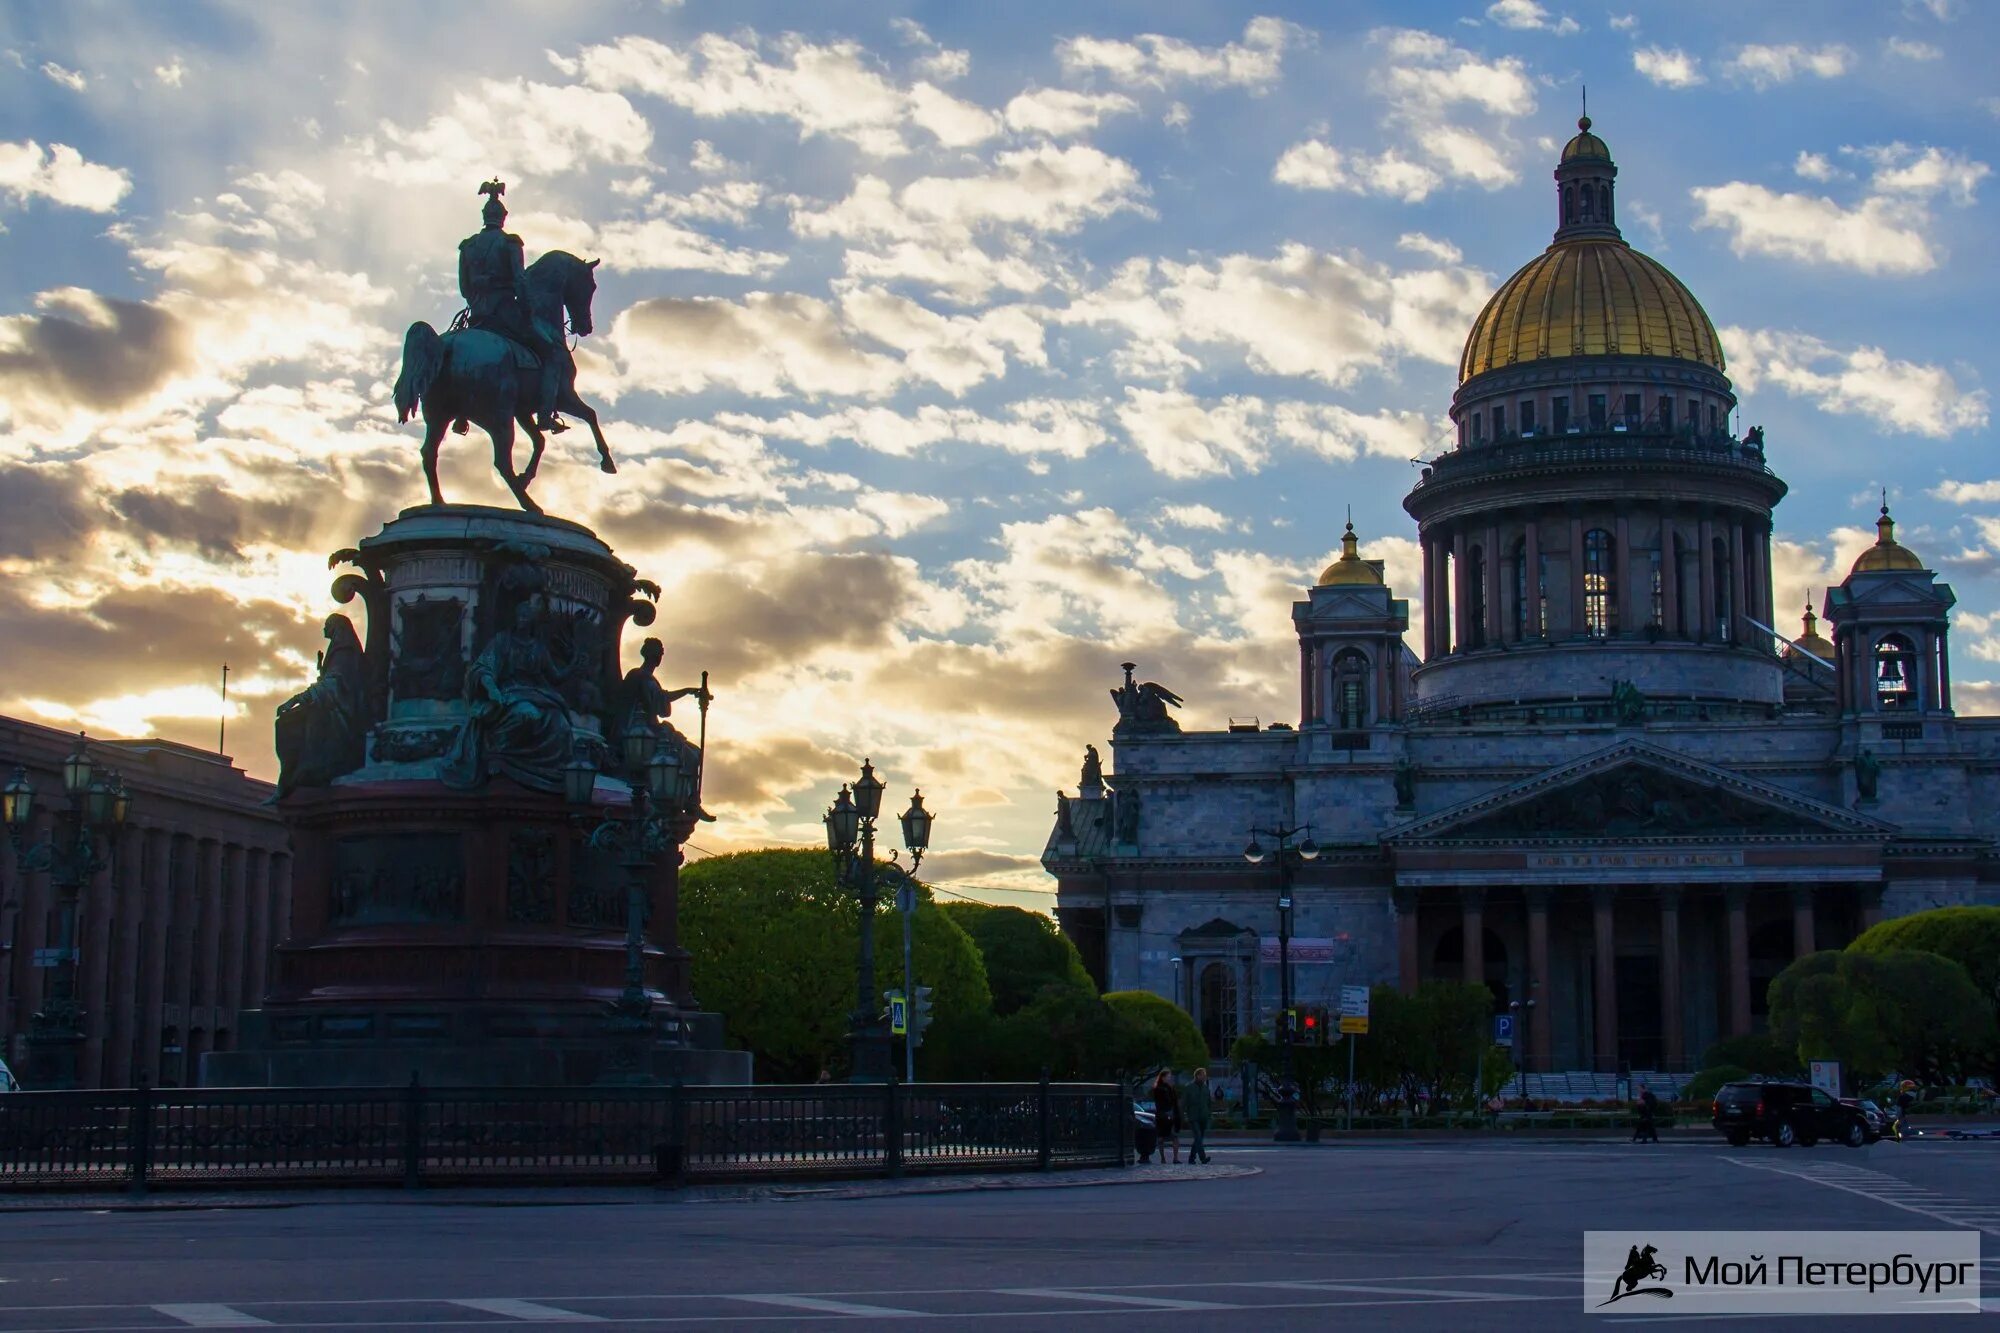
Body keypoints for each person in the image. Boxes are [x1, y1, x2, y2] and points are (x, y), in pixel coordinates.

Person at [460, 180, 563, 433]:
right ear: (503, 217)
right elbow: (518, 279)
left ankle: (460, 413)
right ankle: (545, 415)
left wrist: (477, 298)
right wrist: (526, 305)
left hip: (477, 313)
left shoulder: (468, 246)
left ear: (484, 216)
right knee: (551, 352)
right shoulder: (510, 243)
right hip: (505, 311)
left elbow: (464, 287)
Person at [1184, 1067, 1214, 1164]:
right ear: (1197, 1076)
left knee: (1199, 1139)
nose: (1205, 1077)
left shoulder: (1206, 1088)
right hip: (1193, 1116)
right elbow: (1184, 1102)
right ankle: (1202, 1158)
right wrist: (1183, 1115)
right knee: (1198, 1136)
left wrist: (1209, 1114)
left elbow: (1209, 1103)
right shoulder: (1189, 1087)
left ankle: (1191, 1158)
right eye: (1203, 1075)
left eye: (1205, 1075)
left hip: (1203, 1116)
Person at [1152, 1069, 1181, 1164]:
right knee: (1162, 1138)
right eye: (1168, 1076)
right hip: (1163, 1115)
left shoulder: (1170, 1088)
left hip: (1169, 1114)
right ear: (1163, 1077)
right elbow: (1162, 1102)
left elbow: (1174, 1102)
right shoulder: (1159, 1088)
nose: (1170, 1078)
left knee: (1173, 1136)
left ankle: (1175, 1158)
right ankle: (1163, 1158)